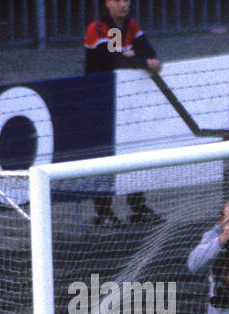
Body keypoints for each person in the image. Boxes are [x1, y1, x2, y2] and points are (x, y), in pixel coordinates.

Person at [83, 0, 163, 225]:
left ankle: (138, 207)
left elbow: (148, 50)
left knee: (132, 150)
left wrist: (131, 56)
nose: (123, 4)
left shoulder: (130, 25)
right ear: (107, 4)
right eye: (117, 0)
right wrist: (136, 58)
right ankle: (103, 211)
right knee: (104, 155)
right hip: (99, 99)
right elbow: (112, 60)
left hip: (124, 99)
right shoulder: (98, 28)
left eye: (125, 0)